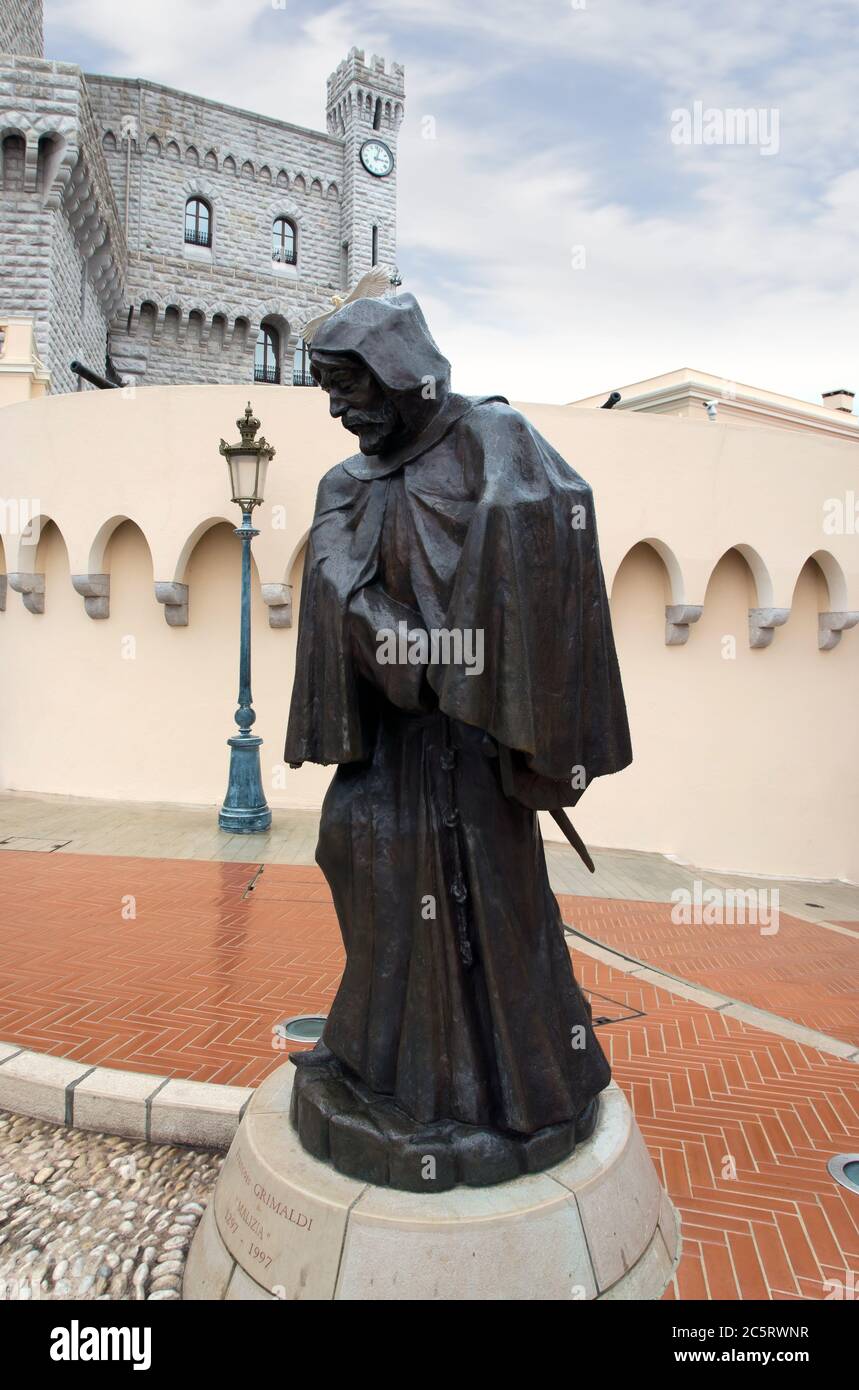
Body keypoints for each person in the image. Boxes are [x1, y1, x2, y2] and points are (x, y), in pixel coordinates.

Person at [284, 293, 632, 1189]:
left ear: (400, 368)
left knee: (484, 910)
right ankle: (371, 1062)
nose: (338, 408)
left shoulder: (491, 440)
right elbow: (330, 579)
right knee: (357, 853)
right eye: (326, 390)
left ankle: (501, 1098)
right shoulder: (344, 482)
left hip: (473, 750)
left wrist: (489, 683)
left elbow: (551, 539)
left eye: (349, 385)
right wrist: (404, 644)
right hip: (392, 742)